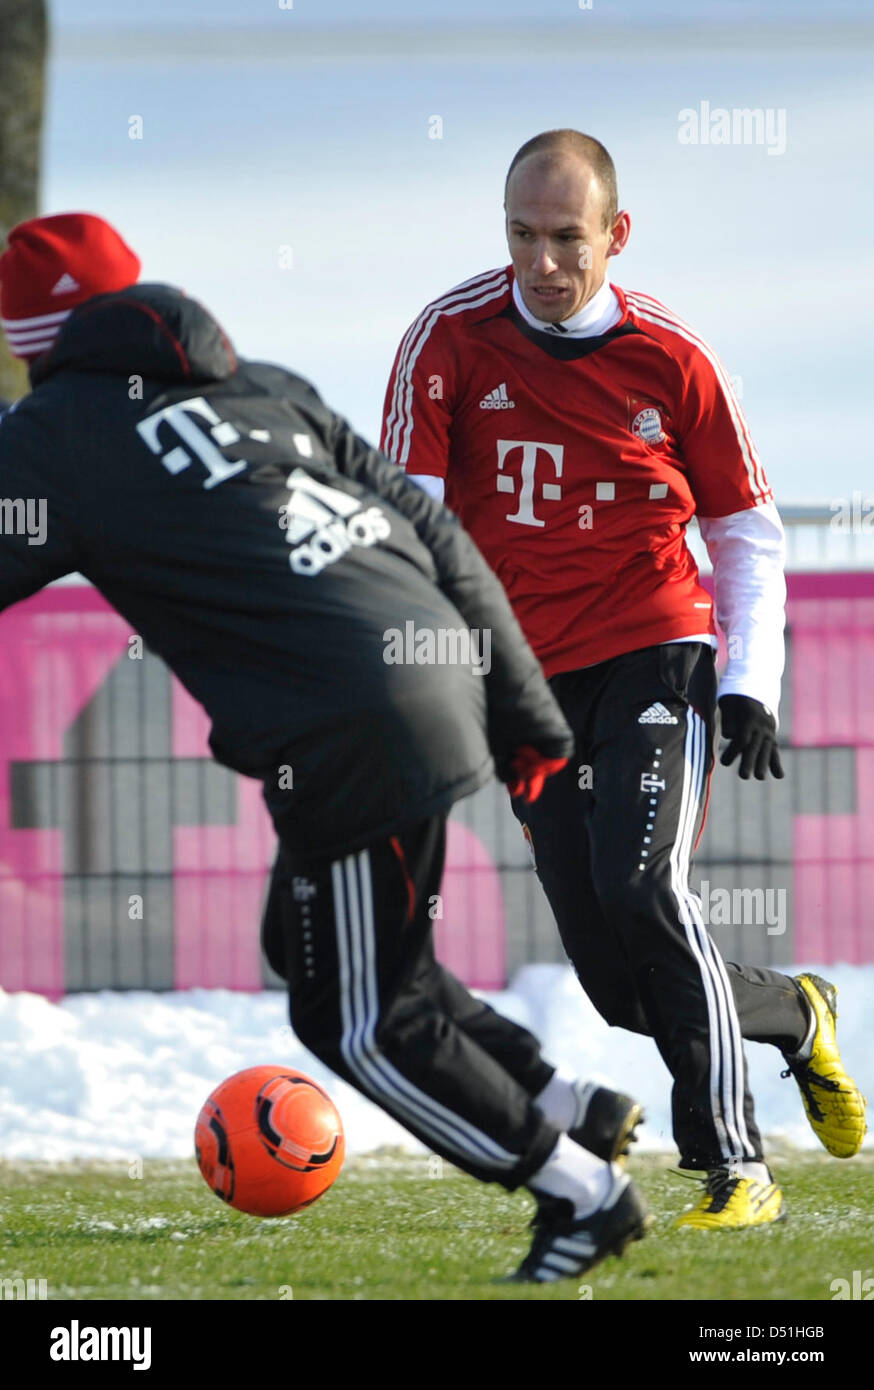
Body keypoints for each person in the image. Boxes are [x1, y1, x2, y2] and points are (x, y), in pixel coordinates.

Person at [0, 210, 649, 1284]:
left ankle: (583, 1193)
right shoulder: (267, 384)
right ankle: (564, 1100)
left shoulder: (58, 433)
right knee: (341, 954)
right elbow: (439, 535)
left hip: (350, 724)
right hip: (429, 672)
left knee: (353, 1018)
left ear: (32, 341)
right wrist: (525, 707)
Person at [379, 129, 867, 1229]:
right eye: (520, 236)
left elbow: (745, 529)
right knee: (613, 976)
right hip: (526, 683)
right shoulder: (445, 340)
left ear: (615, 235)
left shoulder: (674, 360)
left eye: (565, 238)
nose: (541, 264)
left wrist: (750, 678)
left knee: (647, 891)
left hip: (656, 647)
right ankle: (794, 1013)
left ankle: (735, 1165)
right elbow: (408, 527)